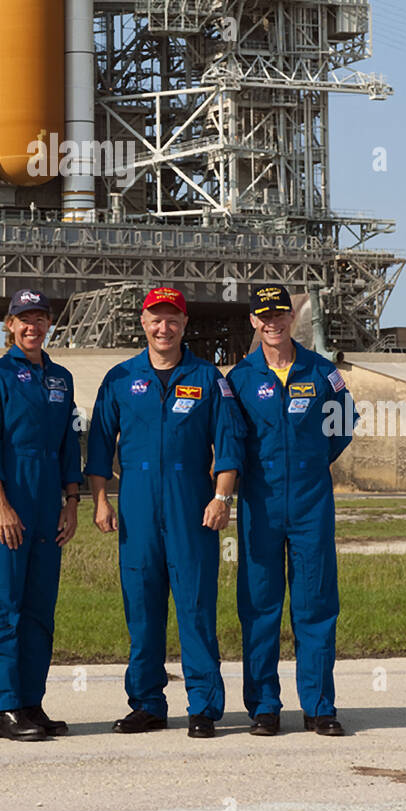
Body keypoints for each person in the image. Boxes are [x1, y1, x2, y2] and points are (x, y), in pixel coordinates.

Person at [86, 286, 245, 738]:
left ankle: (204, 706)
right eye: (156, 318)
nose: (164, 327)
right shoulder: (120, 378)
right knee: (142, 607)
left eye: (172, 318)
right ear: (143, 322)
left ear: (184, 324)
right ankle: (148, 703)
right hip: (136, 502)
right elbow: (99, 445)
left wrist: (222, 497)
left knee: (195, 606)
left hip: (190, 501)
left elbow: (229, 443)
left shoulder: (208, 378)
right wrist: (100, 499)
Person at [226, 284, 353, 737]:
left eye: (280, 313)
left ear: (291, 317)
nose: (273, 322)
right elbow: (229, 443)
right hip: (259, 503)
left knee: (315, 603)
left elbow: (341, 428)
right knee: (259, 606)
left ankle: (320, 707)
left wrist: (309, 462)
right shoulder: (238, 379)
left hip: (310, 501)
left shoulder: (322, 373)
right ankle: (264, 707)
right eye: (264, 315)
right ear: (253, 322)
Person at [0, 288, 82, 741]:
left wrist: (72, 502)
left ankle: (31, 702)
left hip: (47, 505)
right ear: (10, 326)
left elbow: (67, 444)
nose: (32, 326)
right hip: (9, 502)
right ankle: (5, 708)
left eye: (39, 318)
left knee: (39, 608)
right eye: (24, 319)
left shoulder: (61, 379)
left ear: (48, 323)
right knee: (6, 606)